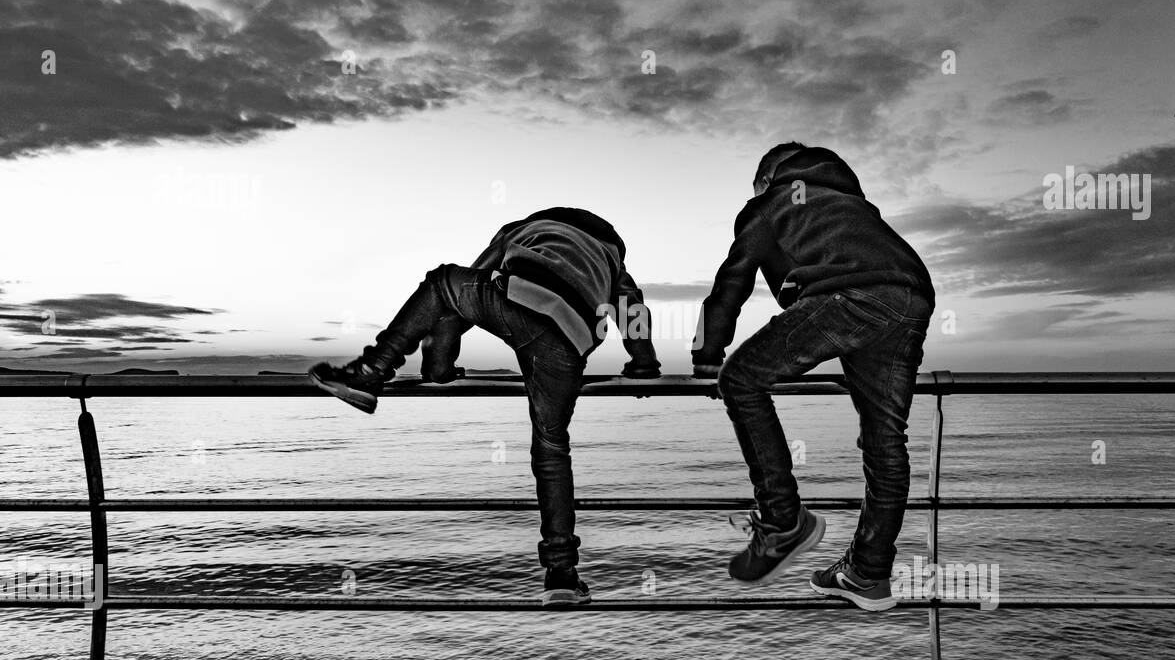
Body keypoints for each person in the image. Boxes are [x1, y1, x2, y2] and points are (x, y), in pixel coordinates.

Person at [309, 207, 661, 606]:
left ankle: (372, 371)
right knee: (551, 447)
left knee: (442, 281)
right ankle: (561, 575)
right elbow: (633, 312)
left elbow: (453, 305)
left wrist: (438, 367)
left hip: (518, 301)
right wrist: (643, 367)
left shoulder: (521, 232)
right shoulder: (611, 259)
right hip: (571, 340)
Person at [692, 143, 935, 610]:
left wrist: (708, 355)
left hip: (853, 298)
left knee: (740, 380)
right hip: (911, 300)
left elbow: (732, 281)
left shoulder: (768, 203)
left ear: (765, 180)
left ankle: (784, 521)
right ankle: (867, 572)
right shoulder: (852, 204)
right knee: (885, 441)